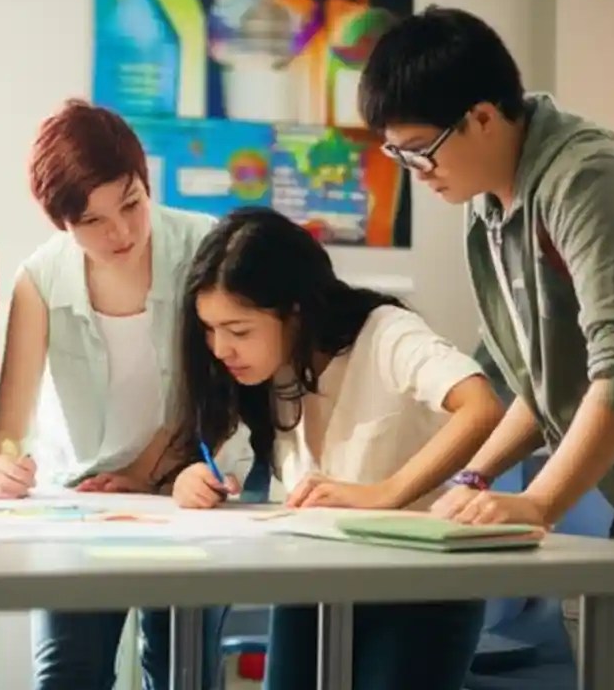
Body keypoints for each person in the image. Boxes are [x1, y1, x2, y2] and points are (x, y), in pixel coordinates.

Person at [359, 5, 614, 686]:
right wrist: (466, 481)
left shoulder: (585, 178)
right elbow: (532, 383)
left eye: (420, 149)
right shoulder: (488, 205)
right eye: (395, 153)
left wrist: (539, 503)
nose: (414, 171)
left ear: (483, 117)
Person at [162, 208, 503, 690]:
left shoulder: (386, 334)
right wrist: (193, 479)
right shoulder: (268, 369)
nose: (221, 349)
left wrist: (387, 493)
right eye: (209, 330)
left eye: (238, 331)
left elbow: (482, 407)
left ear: (295, 312)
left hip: (419, 590)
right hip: (317, 584)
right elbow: (225, 459)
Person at [0, 99, 231, 689]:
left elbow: (221, 390)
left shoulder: (208, 247)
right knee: (69, 673)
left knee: (182, 670)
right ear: (60, 223)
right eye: (91, 222)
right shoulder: (40, 279)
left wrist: (148, 471)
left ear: (147, 184)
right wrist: (3, 466)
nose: (119, 232)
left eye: (131, 204)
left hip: (187, 489)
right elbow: (8, 427)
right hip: (83, 500)